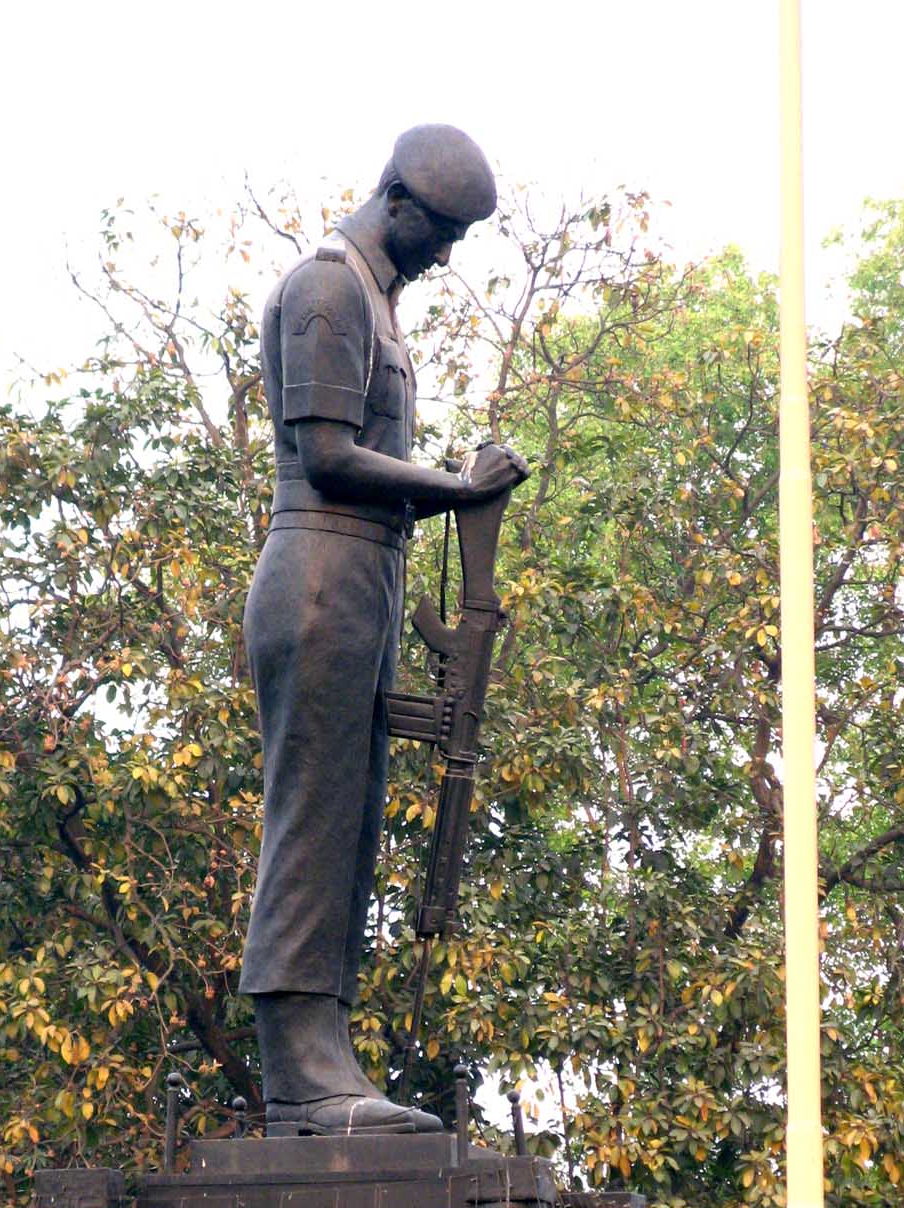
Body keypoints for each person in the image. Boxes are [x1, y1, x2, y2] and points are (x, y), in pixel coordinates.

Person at [239, 123, 527, 1134]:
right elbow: (326, 456)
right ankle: (299, 1073)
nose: (446, 252)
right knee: (315, 817)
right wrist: (455, 487)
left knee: (352, 823)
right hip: (320, 574)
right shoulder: (329, 287)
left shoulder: (376, 299)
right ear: (395, 197)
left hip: (363, 576)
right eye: (440, 230)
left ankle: (325, 1052)